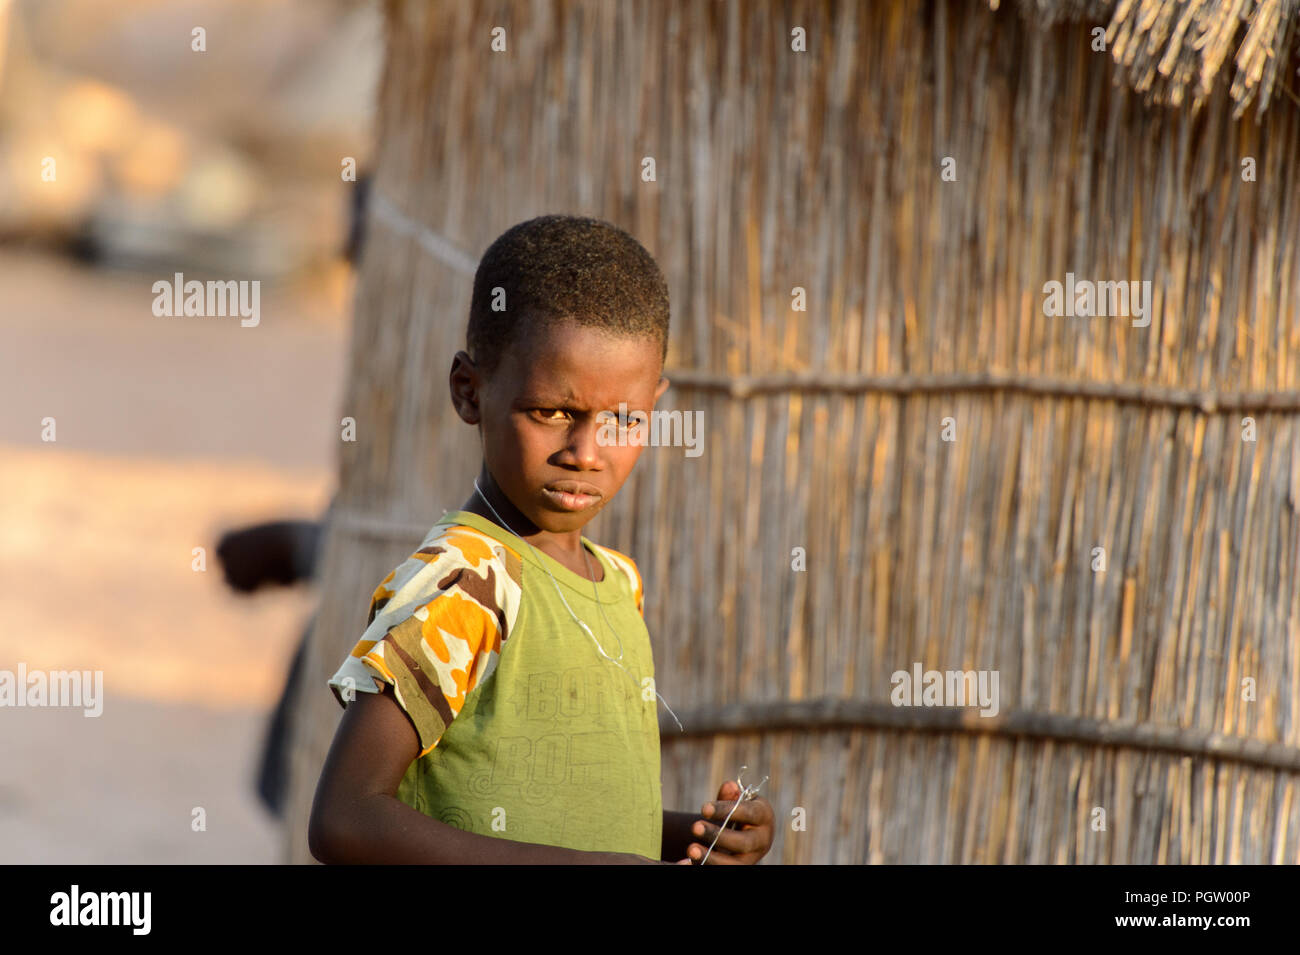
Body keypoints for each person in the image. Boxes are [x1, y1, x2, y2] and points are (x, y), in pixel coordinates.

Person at [308, 214, 773, 863]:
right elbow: (345, 816)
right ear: (470, 392)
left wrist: (693, 838)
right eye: (552, 412)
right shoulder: (466, 580)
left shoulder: (619, 582)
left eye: (624, 419)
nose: (586, 451)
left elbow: (564, 811)